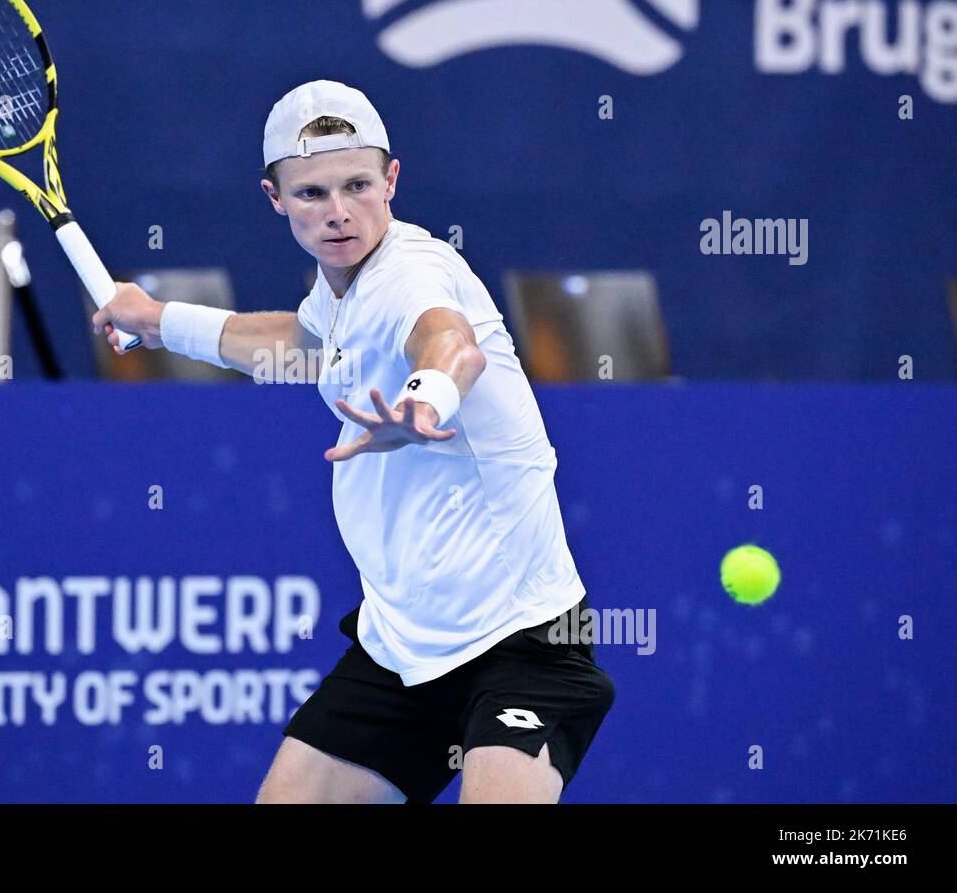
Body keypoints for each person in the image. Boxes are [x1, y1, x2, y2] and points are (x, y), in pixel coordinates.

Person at [91, 80, 615, 803]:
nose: (339, 212)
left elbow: (451, 343)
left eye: (358, 185)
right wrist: (158, 320)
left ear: (391, 180)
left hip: (520, 640)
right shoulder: (340, 287)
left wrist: (424, 400)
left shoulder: (410, 273)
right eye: (311, 194)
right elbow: (301, 343)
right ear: (274, 197)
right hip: (400, 646)